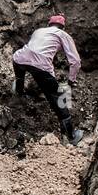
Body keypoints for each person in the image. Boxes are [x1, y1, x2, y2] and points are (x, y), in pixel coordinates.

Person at [12, 14, 84, 143]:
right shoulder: (63, 35)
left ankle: (19, 90)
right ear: (62, 27)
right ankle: (71, 136)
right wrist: (71, 80)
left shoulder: (38, 31)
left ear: (49, 24)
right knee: (59, 98)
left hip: (19, 59)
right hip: (41, 66)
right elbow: (75, 61)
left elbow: (35, 49)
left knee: (21, 72)